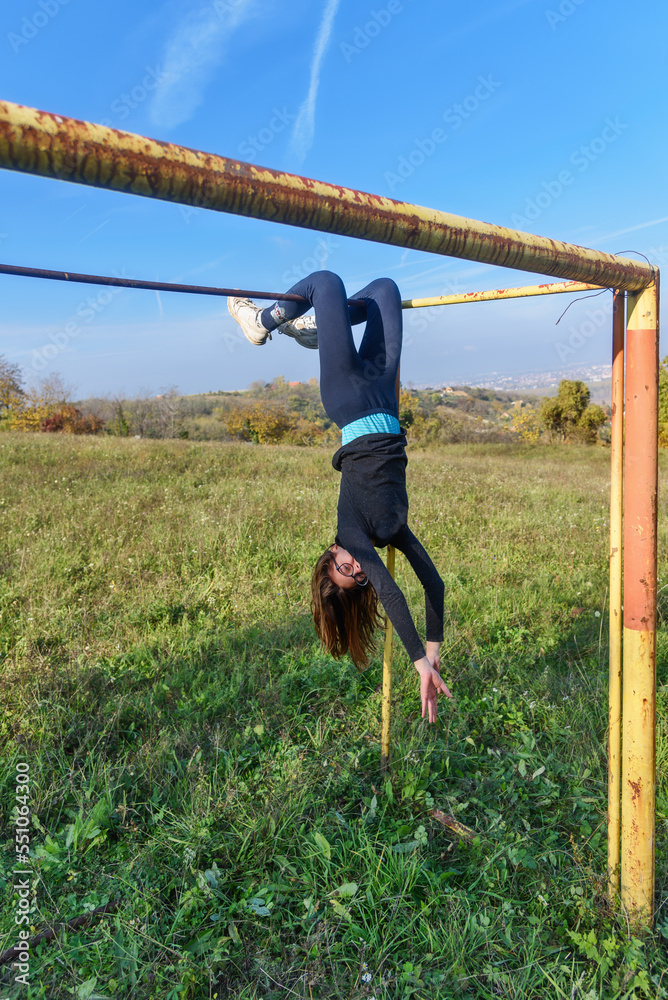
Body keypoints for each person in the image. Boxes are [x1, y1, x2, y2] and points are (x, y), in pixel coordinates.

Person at [228, 270, 451, 723]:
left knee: (325, 283)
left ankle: (264, 323)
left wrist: (416, 664)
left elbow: (392, 592)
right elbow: (433, 584)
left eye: (343, 568)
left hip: (349, 400)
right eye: (358, 576)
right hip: (385, 400)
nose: (357, 568)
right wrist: (432, 650)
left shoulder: (350, 531)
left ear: (332, 554)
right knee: (385, 290)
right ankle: (319, 329)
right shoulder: (392, 532)